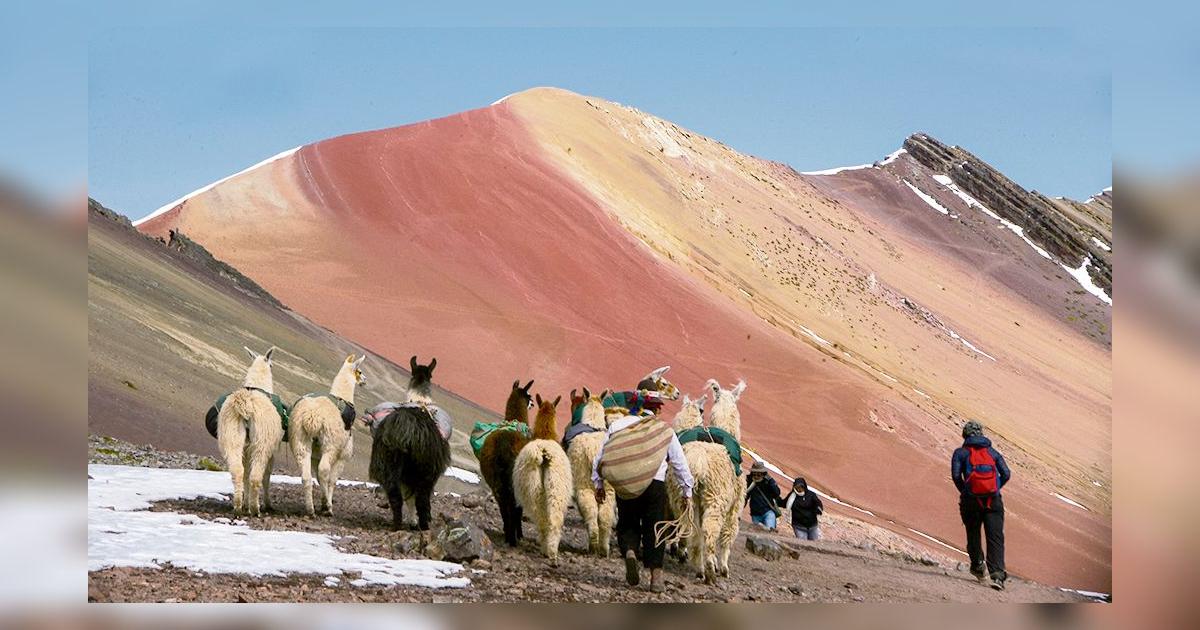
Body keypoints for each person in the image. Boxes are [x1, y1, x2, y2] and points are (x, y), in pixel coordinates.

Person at [594, 412, 694, 593]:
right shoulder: (662, 429)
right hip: (655, 483)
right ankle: (656, 576)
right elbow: (679, 462)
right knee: (655, 527)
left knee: (627, 522)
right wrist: (687, 490)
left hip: (626, 482)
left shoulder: (618, 425)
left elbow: (600, 456)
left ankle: (630, 551)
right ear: (654, 412)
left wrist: (598, 483)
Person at [951, 420, 1012, 591]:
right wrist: (994, 489)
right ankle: (998, 576)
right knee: (995, 537)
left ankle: (978, 566)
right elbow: (1006, 473)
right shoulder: (992, 452)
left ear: (965, 434)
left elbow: (956, 476)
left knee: (973, 533)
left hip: (971, 501)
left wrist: (966, 492)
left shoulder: (960, 453)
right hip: (993, 500)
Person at [744, 460, 782, 531]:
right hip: (755, 514)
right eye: (754, 474)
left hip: (768, 512)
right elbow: (746, 496)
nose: (756, 476)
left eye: (758, 474)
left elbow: (777, 493)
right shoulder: (749, 481)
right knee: (757, 535)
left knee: (769, 533)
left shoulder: (768, 481)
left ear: (763, 473)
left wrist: (771, 481)